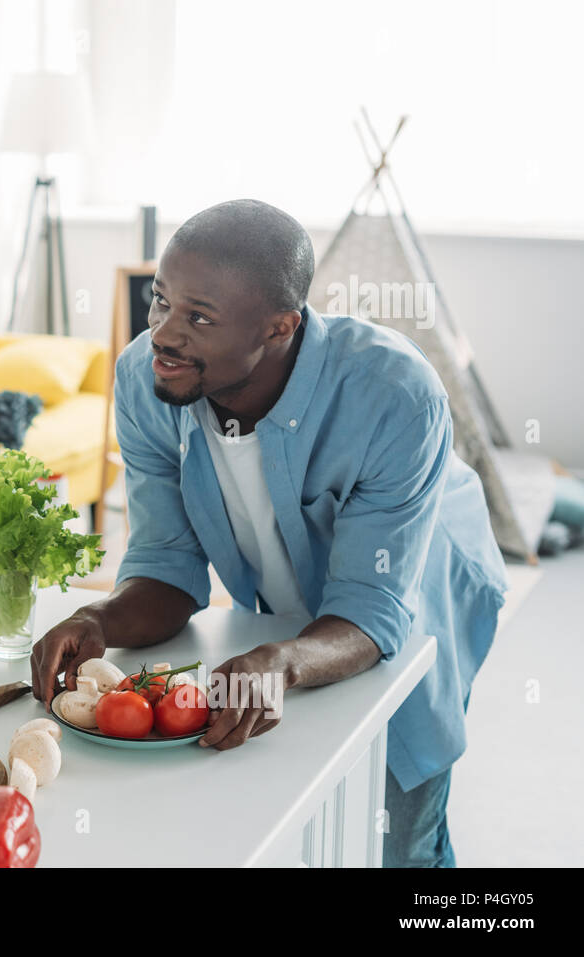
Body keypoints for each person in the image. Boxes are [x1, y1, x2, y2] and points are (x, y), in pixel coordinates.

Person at [30, 199, 508, 868]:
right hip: (295, 600)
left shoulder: (395, 395)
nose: (165, 334)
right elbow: (167, 565)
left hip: (418, 577)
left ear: (282, 324)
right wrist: (98, 617)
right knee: (301, 810)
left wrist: (283, 661)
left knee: (399, 824)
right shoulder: (148, 379)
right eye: (160, 302)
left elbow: (371, 610)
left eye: (198, 318)